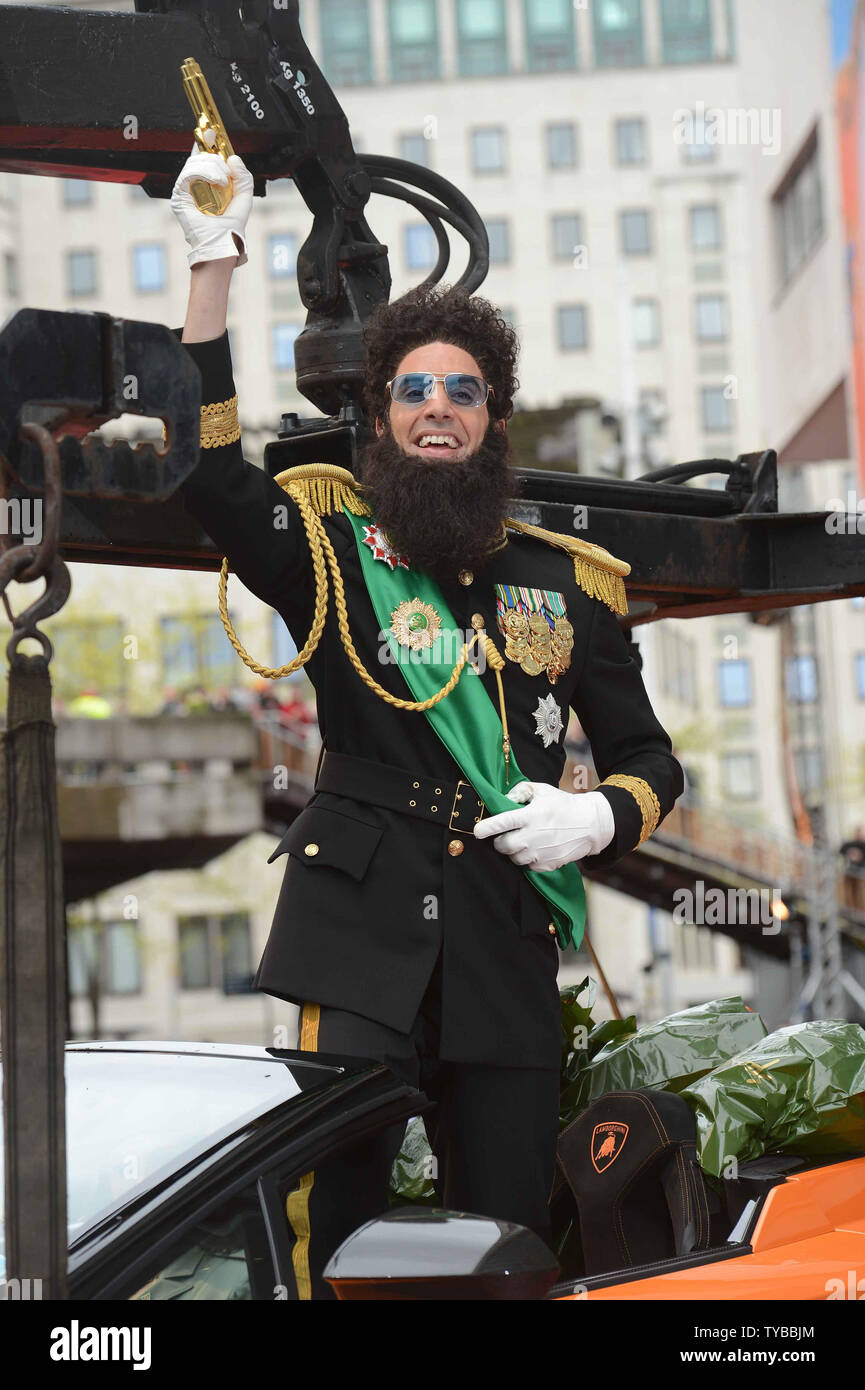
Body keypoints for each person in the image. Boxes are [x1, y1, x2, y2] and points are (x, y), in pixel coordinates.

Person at [169, 148, 684, 1298]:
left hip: (504, 940)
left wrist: (595, 817)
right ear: (381, 414)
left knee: (503, 1233)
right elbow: (204, 470)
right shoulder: (331, 551)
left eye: (460, 391)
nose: (437, 407)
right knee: (329, 1218)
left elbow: (654, 761)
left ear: (492, 416)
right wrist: (213, 264)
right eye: (413, 389)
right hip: (354, 930)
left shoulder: (572, 584)